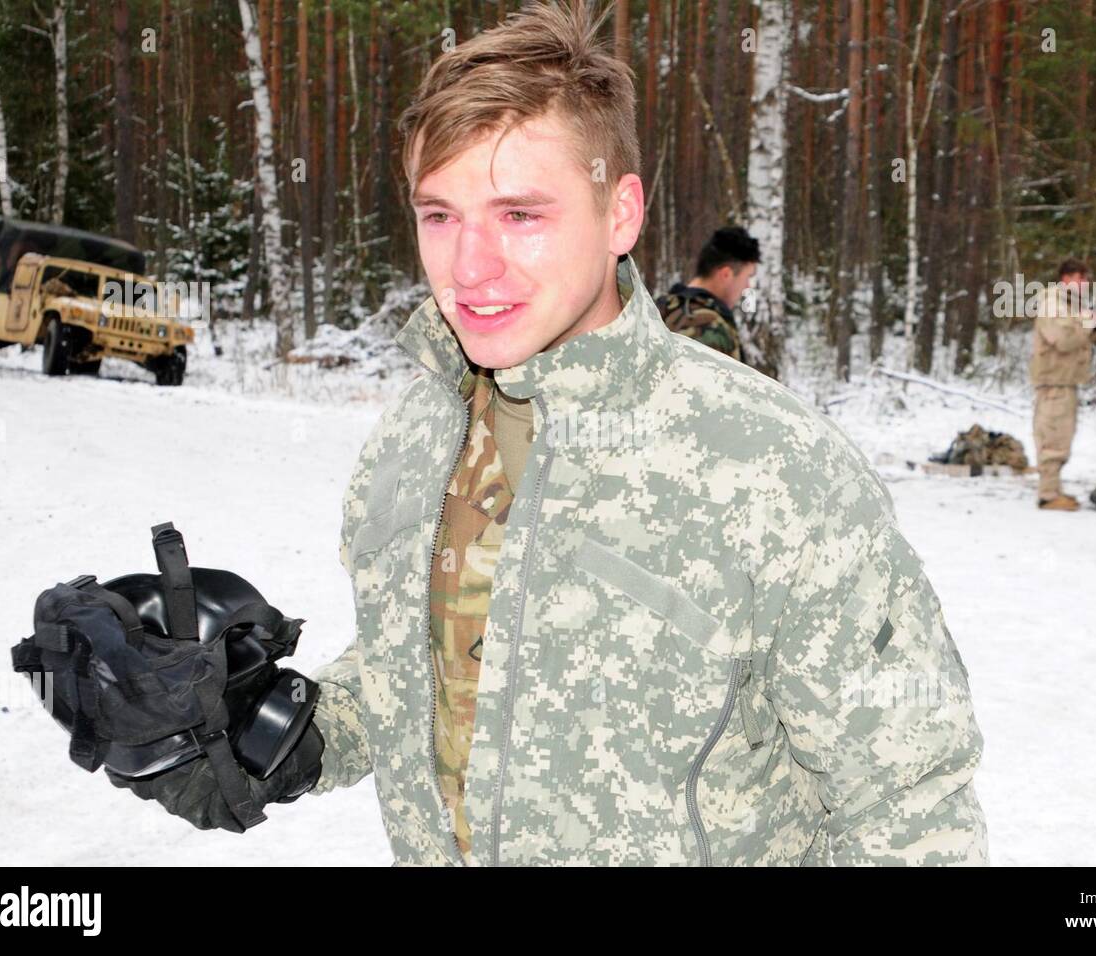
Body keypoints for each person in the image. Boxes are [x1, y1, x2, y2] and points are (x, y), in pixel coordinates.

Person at [123, 0, 988, 866]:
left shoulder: (772, 468)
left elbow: (912, 811)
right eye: (440, 215)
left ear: (621, 214)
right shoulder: (419, 435)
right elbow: (425, 666)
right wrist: (279, 732)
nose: (469, 266)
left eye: (520, 215)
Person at [1029, 258, 1096, 510]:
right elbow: (1063, 339)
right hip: (1054, 382)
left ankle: (1052, 489)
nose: (1085, 284)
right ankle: (1048, 494)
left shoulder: (1067, 304)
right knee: (1053, 436)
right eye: (1081, 278)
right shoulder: (1053, 303)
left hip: (1064, 381)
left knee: (1061, 435)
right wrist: (1088, 324)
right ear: (1066, 278)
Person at [655, 226, 759, 364]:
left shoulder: (662, 309)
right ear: (726, 274)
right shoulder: (706, 327)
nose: (748, 286)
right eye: (747, 277)